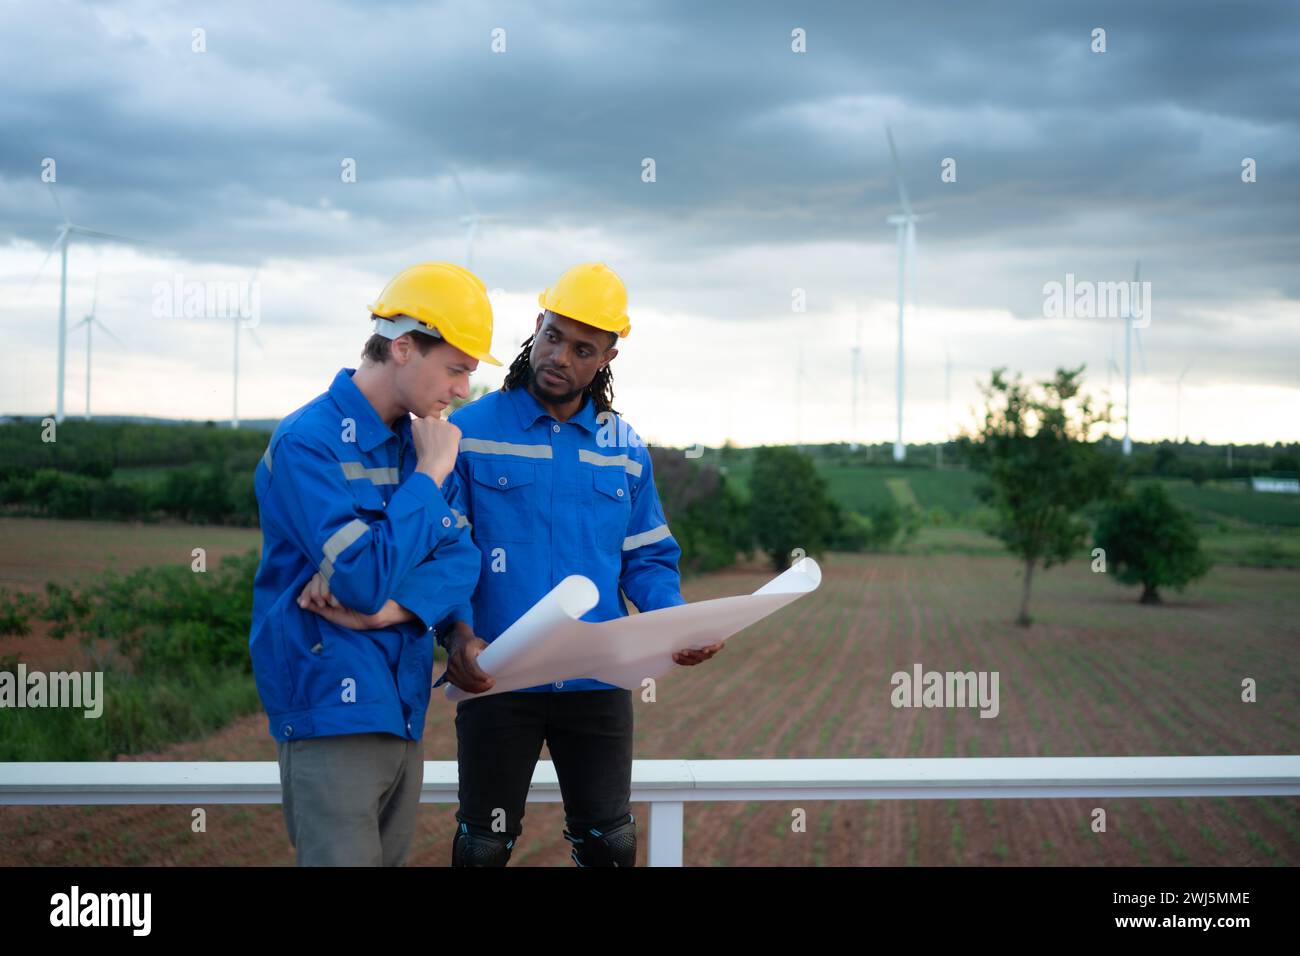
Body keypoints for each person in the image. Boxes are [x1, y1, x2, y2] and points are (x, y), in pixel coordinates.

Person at [438, 262, 724, 866]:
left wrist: (674, 622)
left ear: (608, 358)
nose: (560, 356)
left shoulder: (625, 448)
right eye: (552, 336)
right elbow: (445, 554)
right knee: (484, 844)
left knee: (609, 842)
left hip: (597, 680)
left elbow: (647, 559)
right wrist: (456, 634)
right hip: (498, 676)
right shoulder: (466, 433)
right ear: (536, 326)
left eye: (582, 348)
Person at [248, 261, 499, 866]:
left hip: (403, 711)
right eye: (457, 368)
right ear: (404, 347)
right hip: (333, 709)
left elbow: (462, 562)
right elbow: (359, 578)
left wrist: (389, 612)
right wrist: (430, 476)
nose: (463, 389)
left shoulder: (416, 442)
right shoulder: (309, 442)